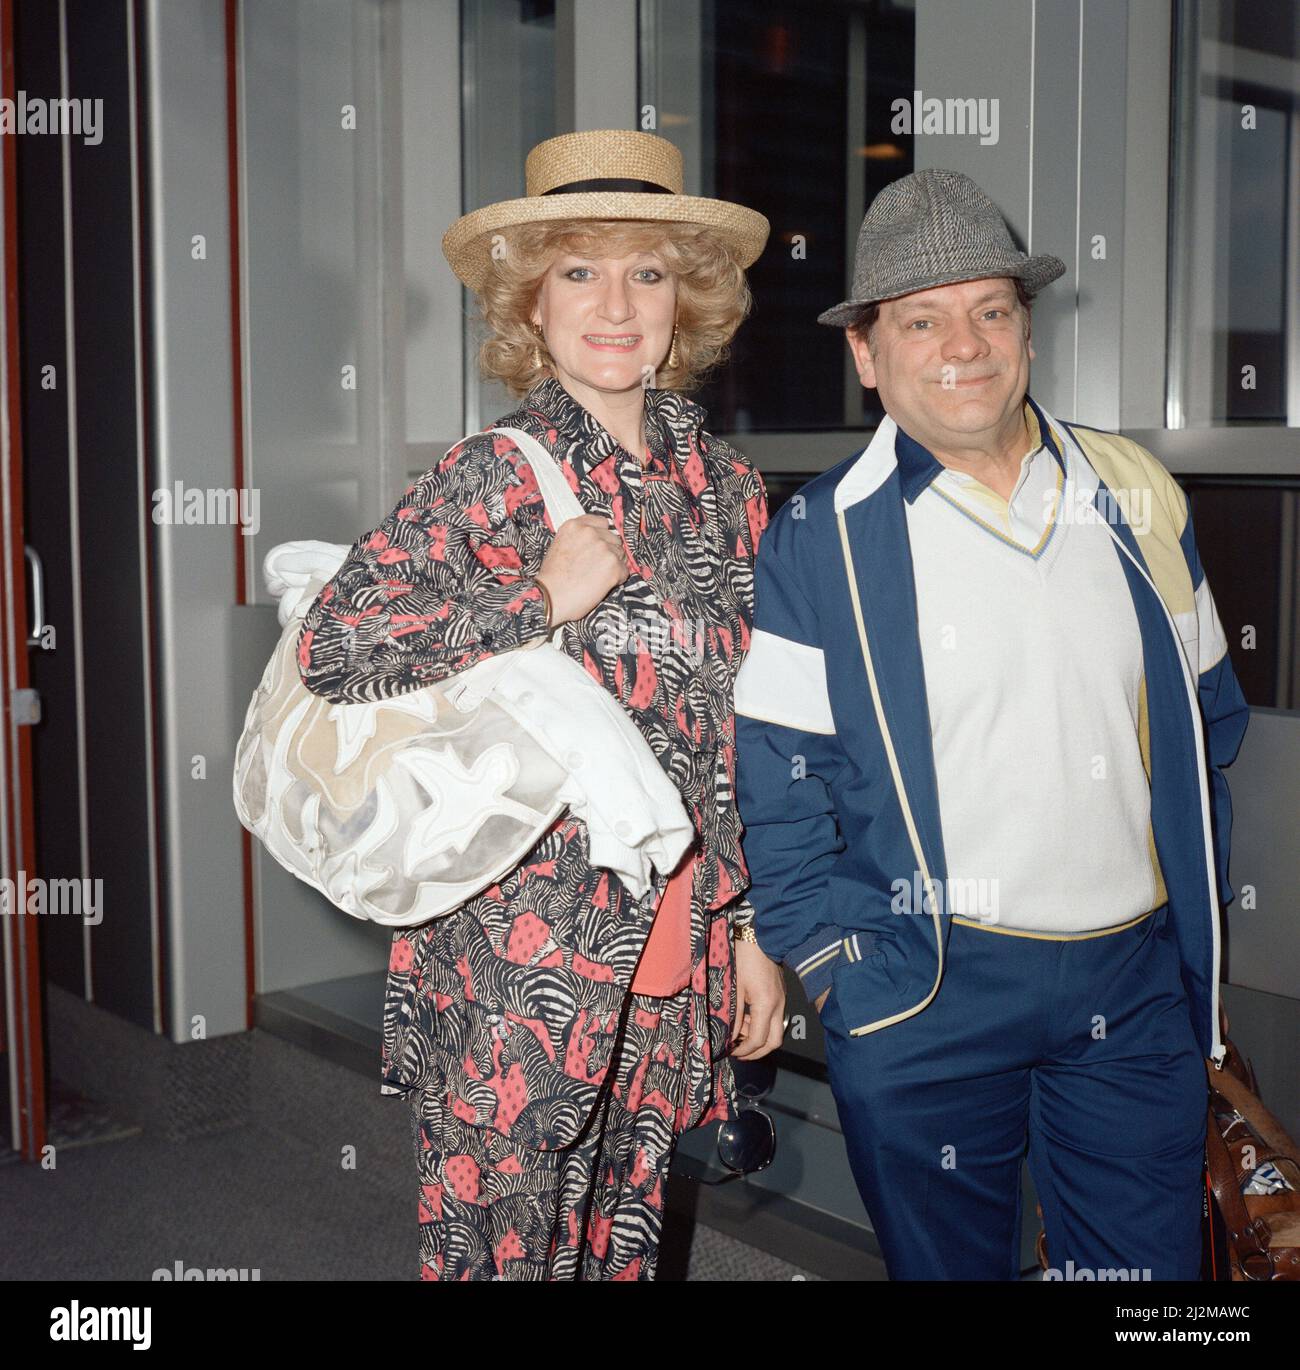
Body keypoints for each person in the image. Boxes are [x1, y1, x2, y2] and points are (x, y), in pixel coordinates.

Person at [733, 167, 1250, 1280]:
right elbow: (779, 781)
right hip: (925, 986)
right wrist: (838, 974)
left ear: (1024, 327)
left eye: (991, 310)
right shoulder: (818, 538)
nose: (963, 344)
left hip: (1129, 982)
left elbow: (1210, 713)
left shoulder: (1134, 494)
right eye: (920, 319)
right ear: (866, 354)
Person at [296, 129, 785, 1280]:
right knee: (501, 1260)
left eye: (647, 272)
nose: (614, 303)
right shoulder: (493, 473)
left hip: (675, 948)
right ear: (533, 300)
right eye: (579, 271)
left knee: (625, 1249)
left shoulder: (728, 489)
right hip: (510, 963)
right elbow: (337, 646)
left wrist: (752, 932)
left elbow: (744, 730)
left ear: (686, 300)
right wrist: (537, 593)